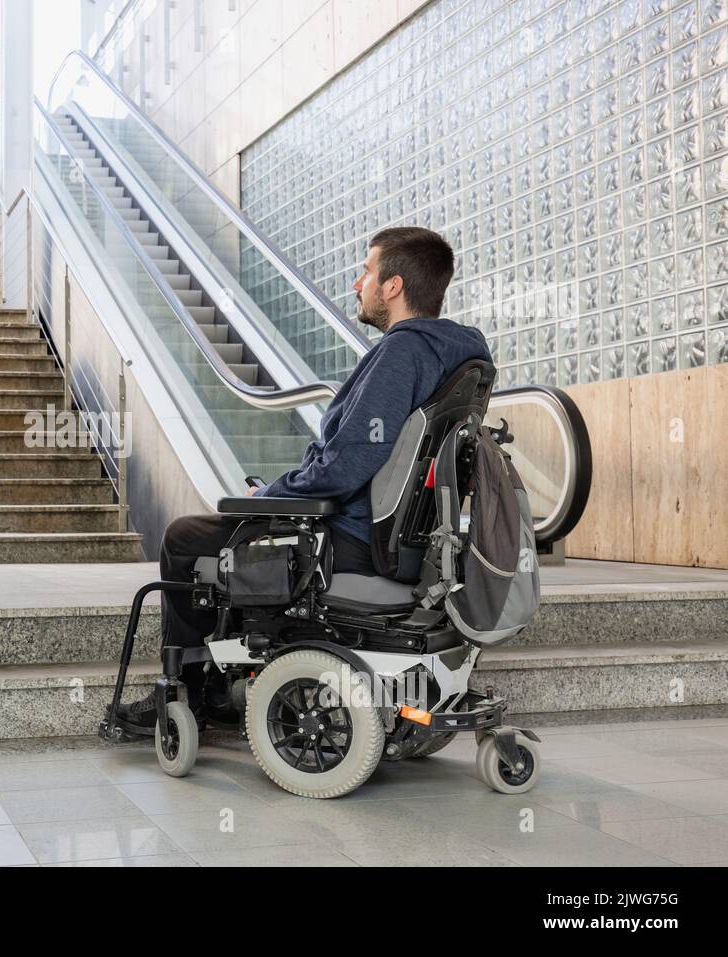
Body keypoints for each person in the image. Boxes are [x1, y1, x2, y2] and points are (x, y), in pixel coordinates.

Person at [116, 226, 493, 729]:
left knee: (186, 538)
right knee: (231, 526)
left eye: (366, 272)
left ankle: (190, 696)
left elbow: (349, 462)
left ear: (394, 286)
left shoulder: (401, 354)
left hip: (353, 538)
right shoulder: (460, 357)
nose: (357, 284)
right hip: (410, 543)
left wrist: (269, 497)